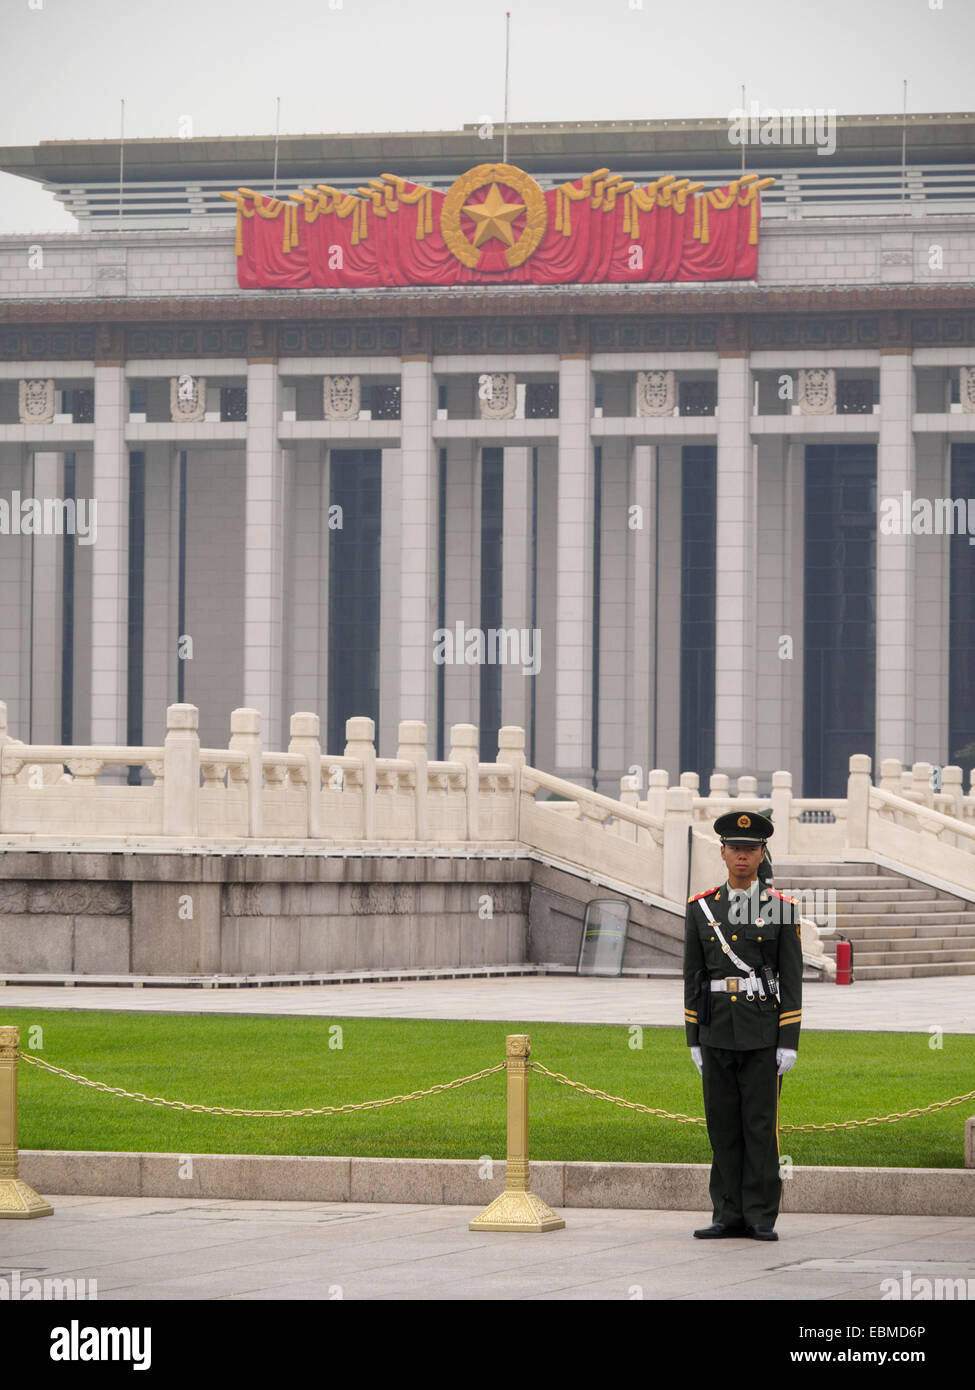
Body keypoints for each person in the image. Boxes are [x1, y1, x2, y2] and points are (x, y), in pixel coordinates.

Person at [683, 810, 803, 1241]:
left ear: (762, 853)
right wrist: (693, 1036)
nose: (742, 856)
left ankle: (758, 1214)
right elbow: (693, 976)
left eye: (750, 850)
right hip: (717, 1030)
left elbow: (791, 978)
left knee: (758, 1125)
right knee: (722, 1124)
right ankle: (726, 1213)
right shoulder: (700, 908)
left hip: (761, 1032)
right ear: (722, 852)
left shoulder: (781, 909)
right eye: (735, 848)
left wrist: (787, 1039)